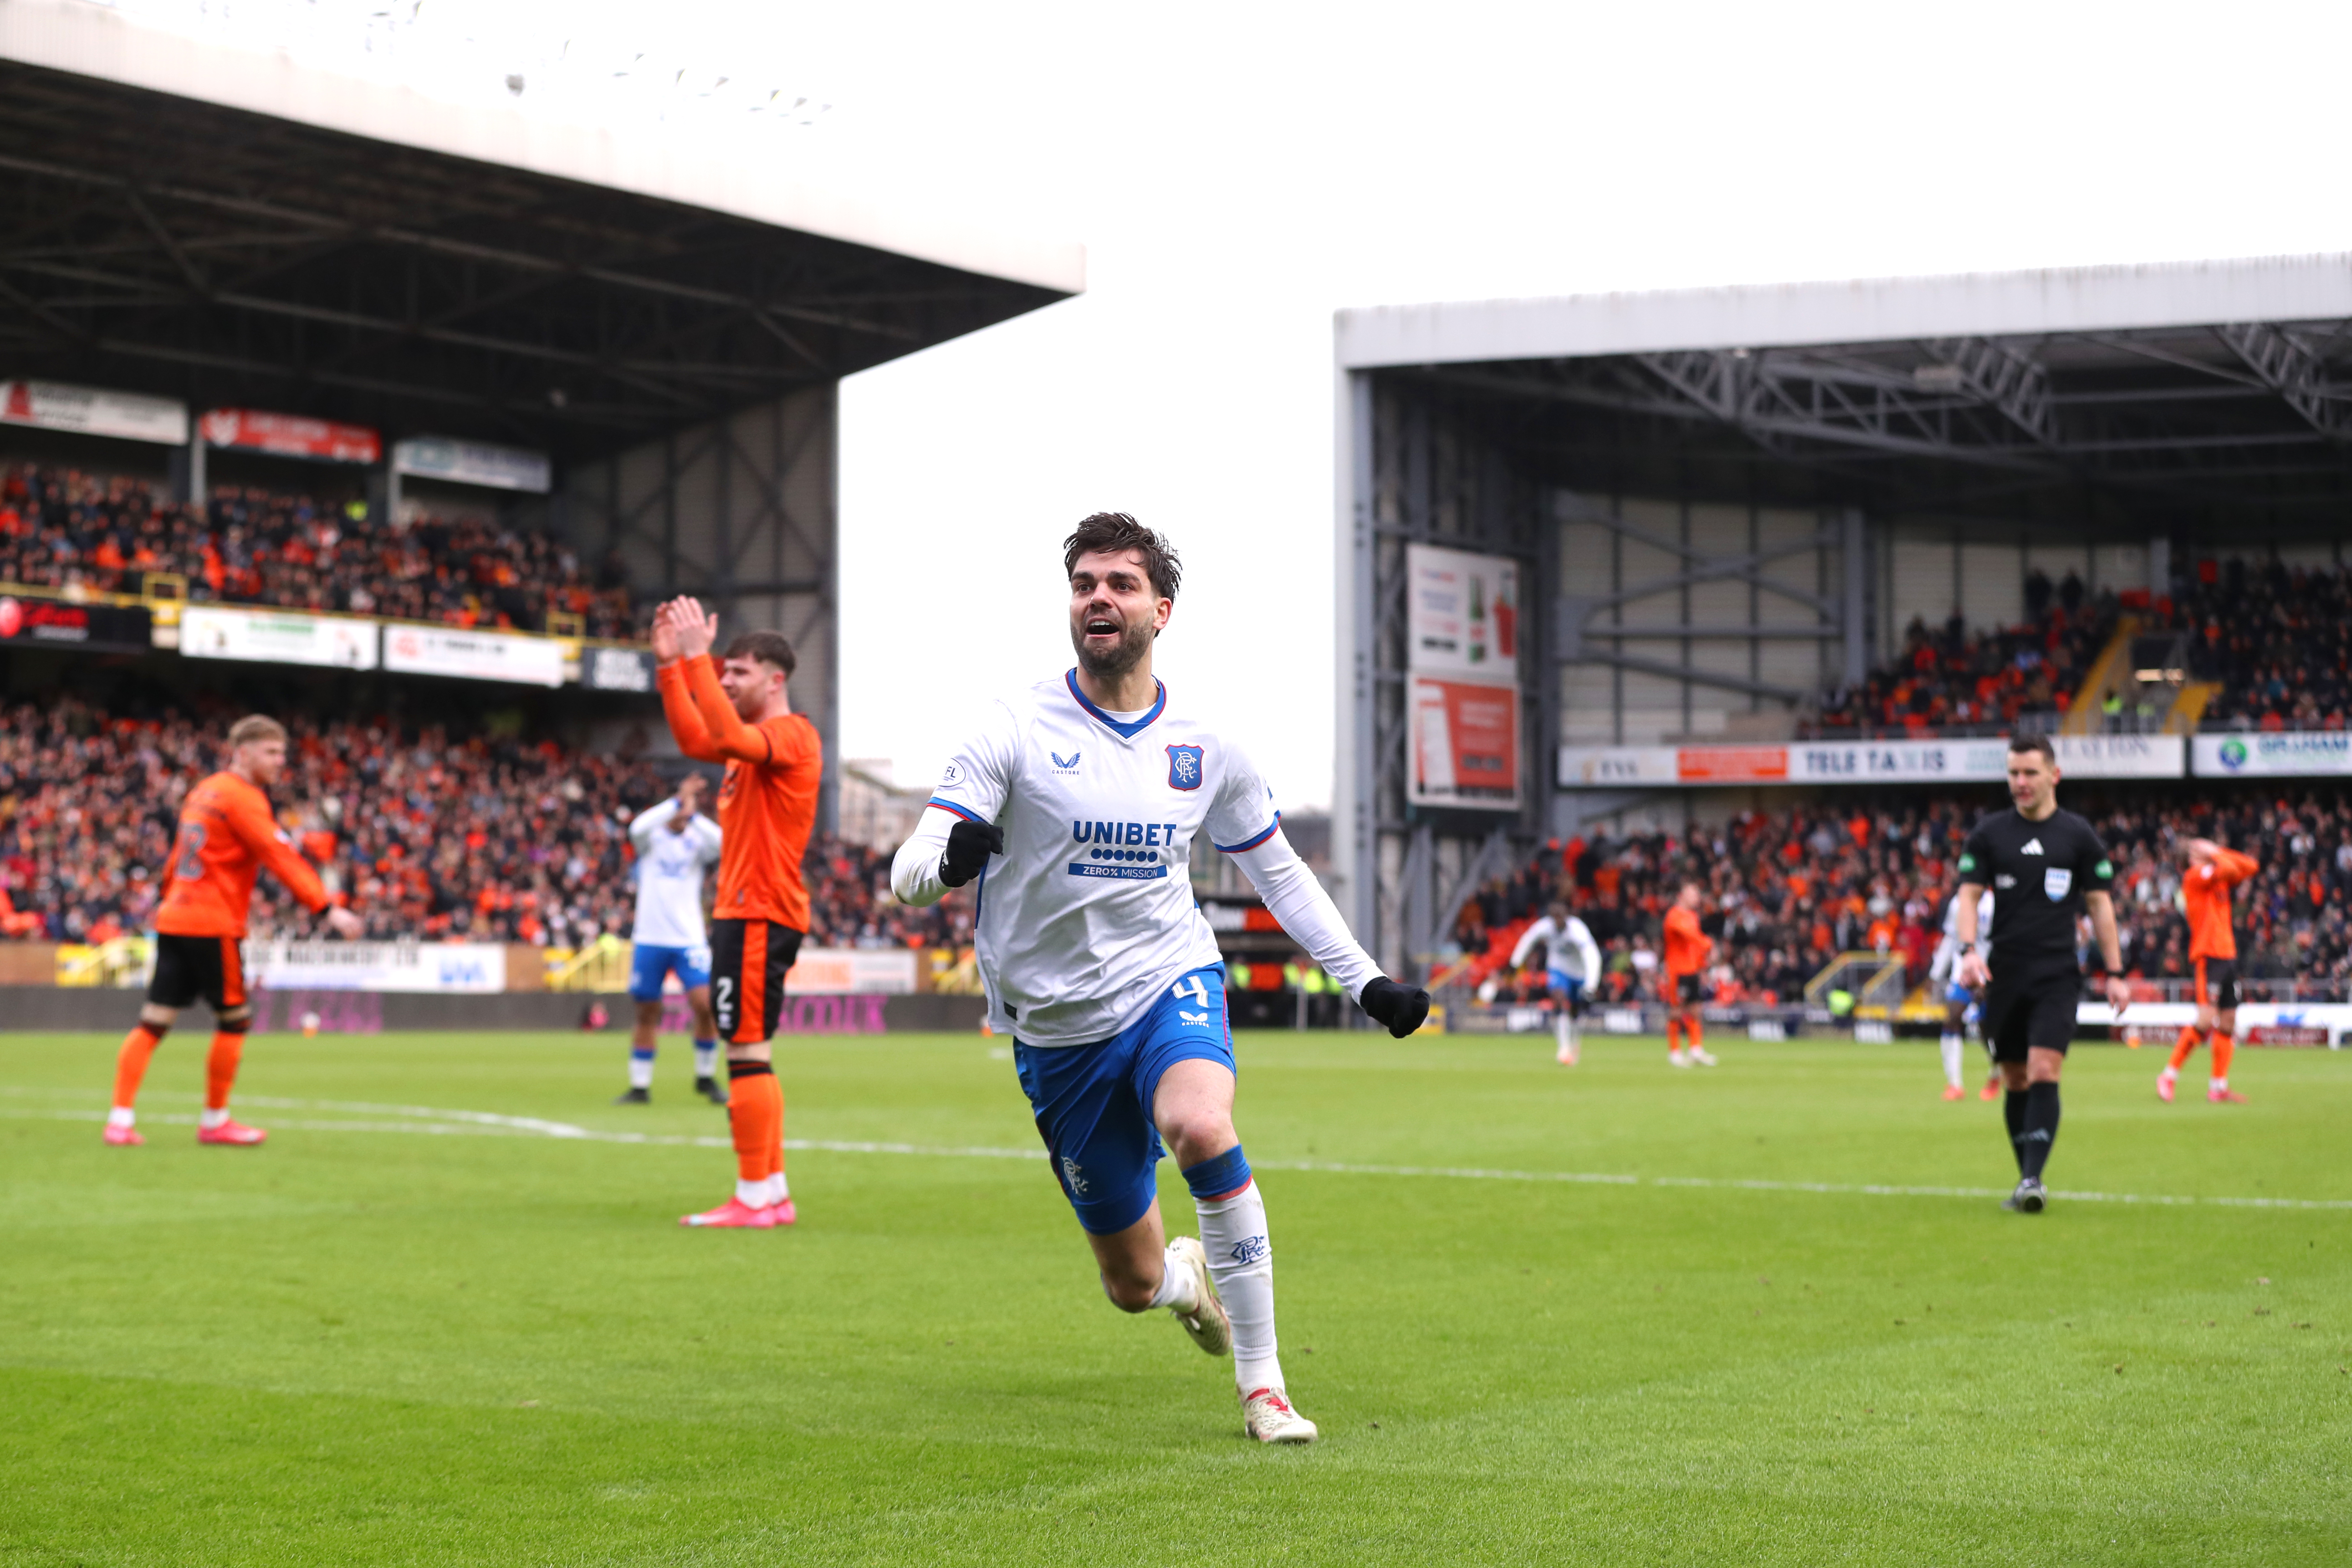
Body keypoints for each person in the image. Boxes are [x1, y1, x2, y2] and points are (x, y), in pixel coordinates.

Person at [890, 513, 1430, 1445]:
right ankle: (1184, 1281)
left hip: (1167, 977)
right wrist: (947, 859)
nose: (1098, 596)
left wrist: (1365, 981)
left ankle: (1264, 1388)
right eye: (1084, 583)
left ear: (1160, 609)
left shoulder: (1204, 743)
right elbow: (908, 867)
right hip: (1055, 1027)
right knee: (1130, 1284)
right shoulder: (1012, 723)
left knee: (1199, 1123)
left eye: (1120, 583)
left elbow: (1278, 869)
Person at [104, 715, 364, 1147]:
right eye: (271, 752)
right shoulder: (243, 798)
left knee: (154, 1021)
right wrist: (326, 908)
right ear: (243, 752)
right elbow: (279, 855)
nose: (281, 761)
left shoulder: (204, 790)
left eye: (283, 752)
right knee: (235, 1019)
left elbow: (175, 858)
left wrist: (168, 899)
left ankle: (120, 1119)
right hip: (211, 923)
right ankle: (215, 1121)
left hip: (175, 917)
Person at [653, 599, 823, 1228]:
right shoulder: (751, 746)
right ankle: (771, 1190)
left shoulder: (792, 735)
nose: (724, 682)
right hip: (751, 909)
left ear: (775, 680)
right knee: (754, 1050)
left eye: (738, 674)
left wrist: (697, 653)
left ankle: (753, 1195)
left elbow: (720, 732)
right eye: (722, 674)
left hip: (757, 911)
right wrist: (673, 667)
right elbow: (700, 736)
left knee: (745, 1050)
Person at [1954, 734, 2130, 1213]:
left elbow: (2100, 907)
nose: (2020, 782)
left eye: (2030, 772)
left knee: (2044, 1068)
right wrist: (1968, 950)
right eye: (2013, 773)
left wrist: (2114, 970)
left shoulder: (2078, 836)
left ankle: (2032, 1179)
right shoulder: (1988, 834)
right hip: (2004, 972)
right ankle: (2025, 1175)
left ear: (2055, 775)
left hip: (2057, 973)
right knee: (2013, 1076)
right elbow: (1968, 897)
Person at [616, 772, 726, 1107]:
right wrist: (678, 800)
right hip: (650, 938)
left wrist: (692, 812)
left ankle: (705, 1077)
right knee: (647, 1011)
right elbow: (636, 827)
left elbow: (726, 842)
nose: (682, 812)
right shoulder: (651, 839)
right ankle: (640, 1086)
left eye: (688, 807)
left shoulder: (698, 841)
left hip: (689, 939)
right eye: (678, 805)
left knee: (706, 1005)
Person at [2159, 837, 2258, 1105]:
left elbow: (2250, 866)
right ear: (2193, 855)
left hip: (2227, 956)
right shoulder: (2194, 876)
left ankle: (2218, 1087)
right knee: (2205, 1020)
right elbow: (2229, 869)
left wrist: (2217, 851)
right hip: (2208, 957)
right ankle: (2168, 1075)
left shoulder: (2215, 876)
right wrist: (2214, 852)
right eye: (2200, 847)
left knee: (2228, 1023)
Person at [1509, 899, 1601, 1065]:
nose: (1558, 921)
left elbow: (1592, 956)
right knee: (1558, 1000)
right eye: (1555, 918)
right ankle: (1563, 1048)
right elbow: (1529, 939)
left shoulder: (1577, 930)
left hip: (1579, 974)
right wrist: (1515, 962)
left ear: (1567, 917)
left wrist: (1590, 986)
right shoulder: (1545, 926)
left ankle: (1574, 1041)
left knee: (1575, 1011)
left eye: (1561, 917)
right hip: (1558, 970)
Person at [1926, 885, 1996, 1100]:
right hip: (1964, 972)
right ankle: (1955, 1084)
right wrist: (1935, 974)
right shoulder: (1958, 902)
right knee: (1952, 1017)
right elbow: (1951, 939)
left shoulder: (1997, 902)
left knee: (1988, 1028)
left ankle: (1997, 1072)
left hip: (1990, 972)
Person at [1661, 882, 1714, 1067]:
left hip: (1692, 969)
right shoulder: (1674, 916)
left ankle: (1696, 1050)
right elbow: (1688, 935)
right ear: (1681, 896)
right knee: (1677, 1011)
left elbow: (1694, 943)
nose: (1696, 898)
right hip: (1677, 971)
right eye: (1693, 894)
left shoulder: (1693, 916)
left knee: (1696, 1010)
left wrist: (1702, 963)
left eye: (1697, 894)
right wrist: (1705, 942)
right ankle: (1674, 1053)